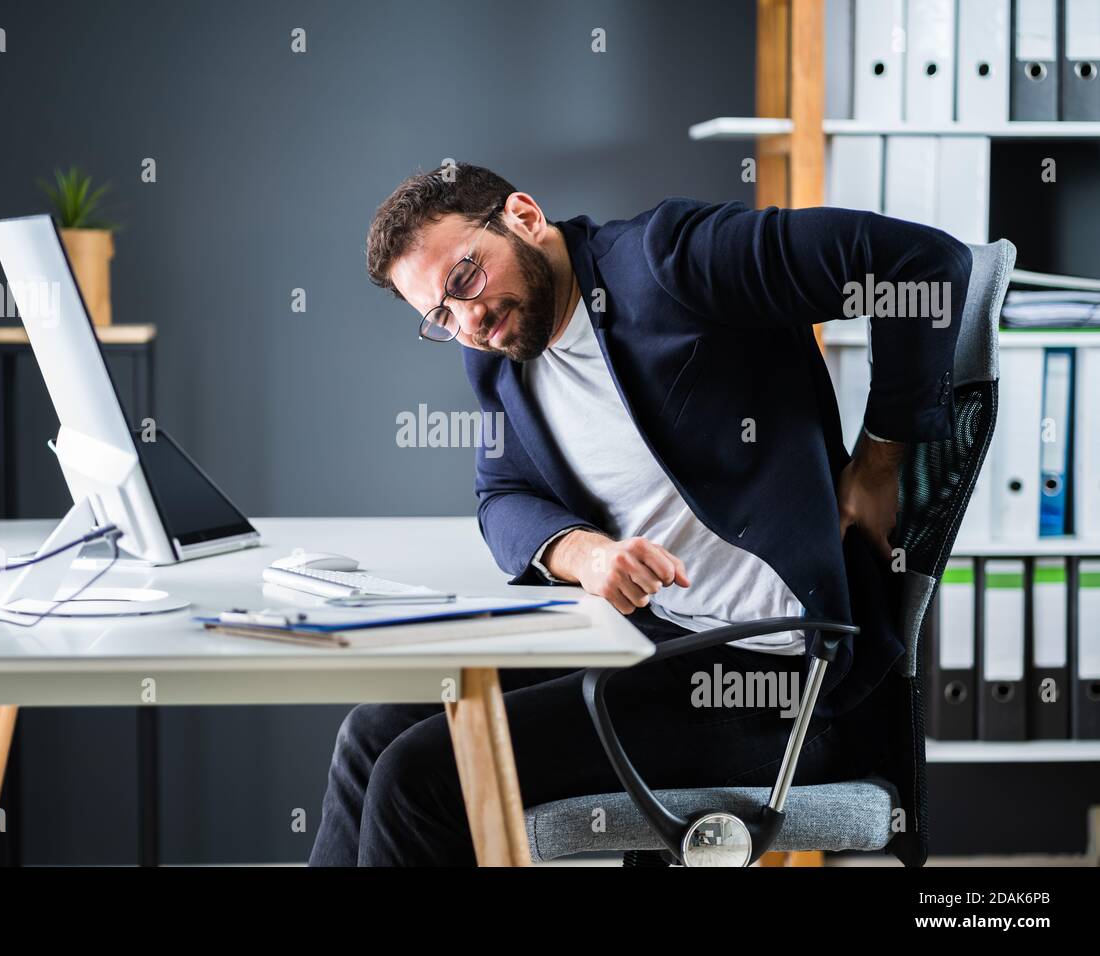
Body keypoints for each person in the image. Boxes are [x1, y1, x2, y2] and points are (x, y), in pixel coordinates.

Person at [308, 164, 971, 866]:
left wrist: (879, 461)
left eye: (465, 278)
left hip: (778, 678)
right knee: (372, 733)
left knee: (423, 776)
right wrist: (584, 553)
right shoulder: (504, 358)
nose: (468, 320)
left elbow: (924, 263)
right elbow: (502, 497)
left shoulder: (674, 259)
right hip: (651, 643)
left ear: (525, 217)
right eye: (439, 316)